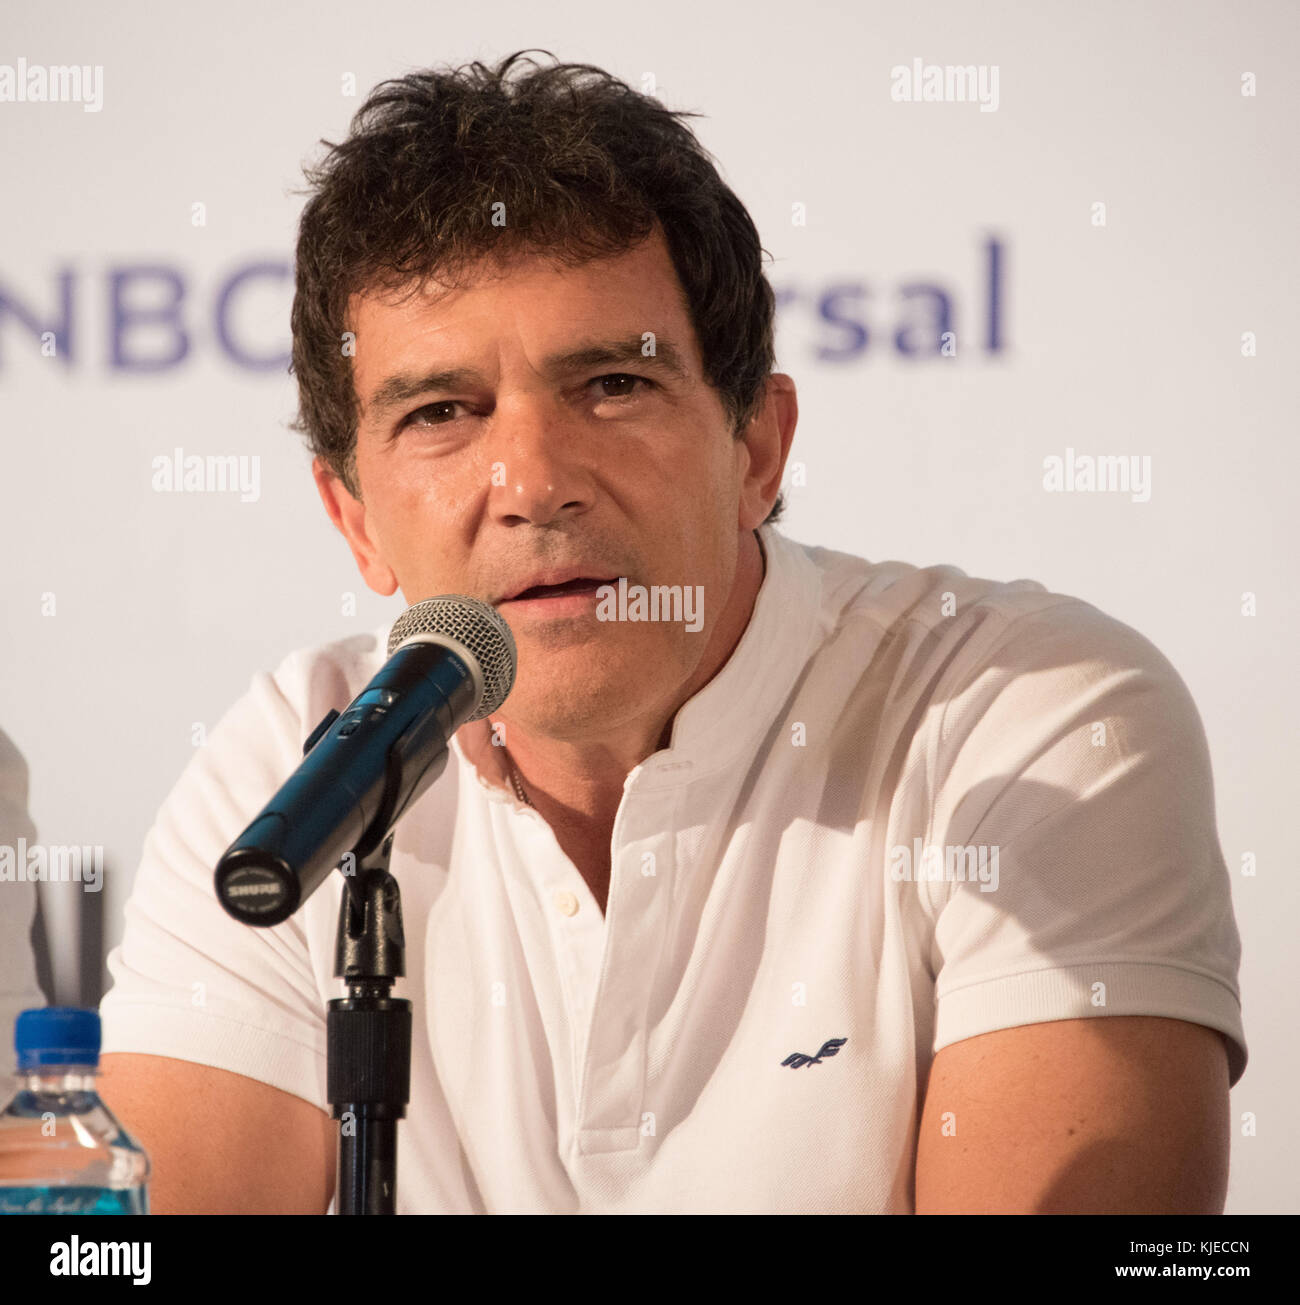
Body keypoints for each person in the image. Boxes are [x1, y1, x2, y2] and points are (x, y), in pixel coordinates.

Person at [97, 49, 1246, 1215]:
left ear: (756, 449)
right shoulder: (301, 762)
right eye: (442, 412)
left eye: (610, 385)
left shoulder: (1027, 710)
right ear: (353, 518)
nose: (532, 482)